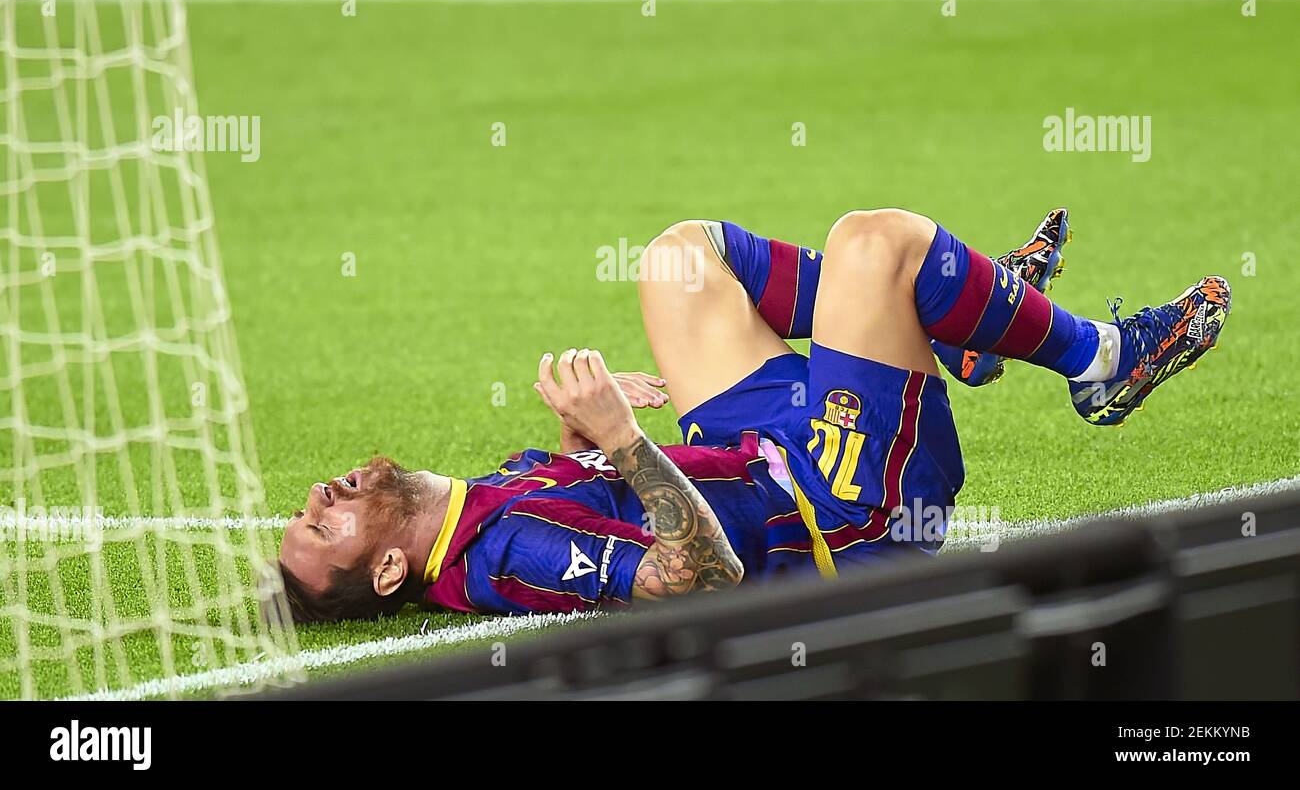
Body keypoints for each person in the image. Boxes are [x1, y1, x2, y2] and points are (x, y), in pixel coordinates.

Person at [275, 206, 1228, 618]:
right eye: (328, 523)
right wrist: (622, 440)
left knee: (678, 259)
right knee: (876, 244)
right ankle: (1100, 362)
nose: (323, 493)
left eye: (311, 504)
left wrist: (586, 447)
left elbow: (607, 501)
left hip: (752, 448)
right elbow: (701, 576)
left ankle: (953, 324)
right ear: (390, 567)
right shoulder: (506, 553)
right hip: (841, 508)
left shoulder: (480, 513)